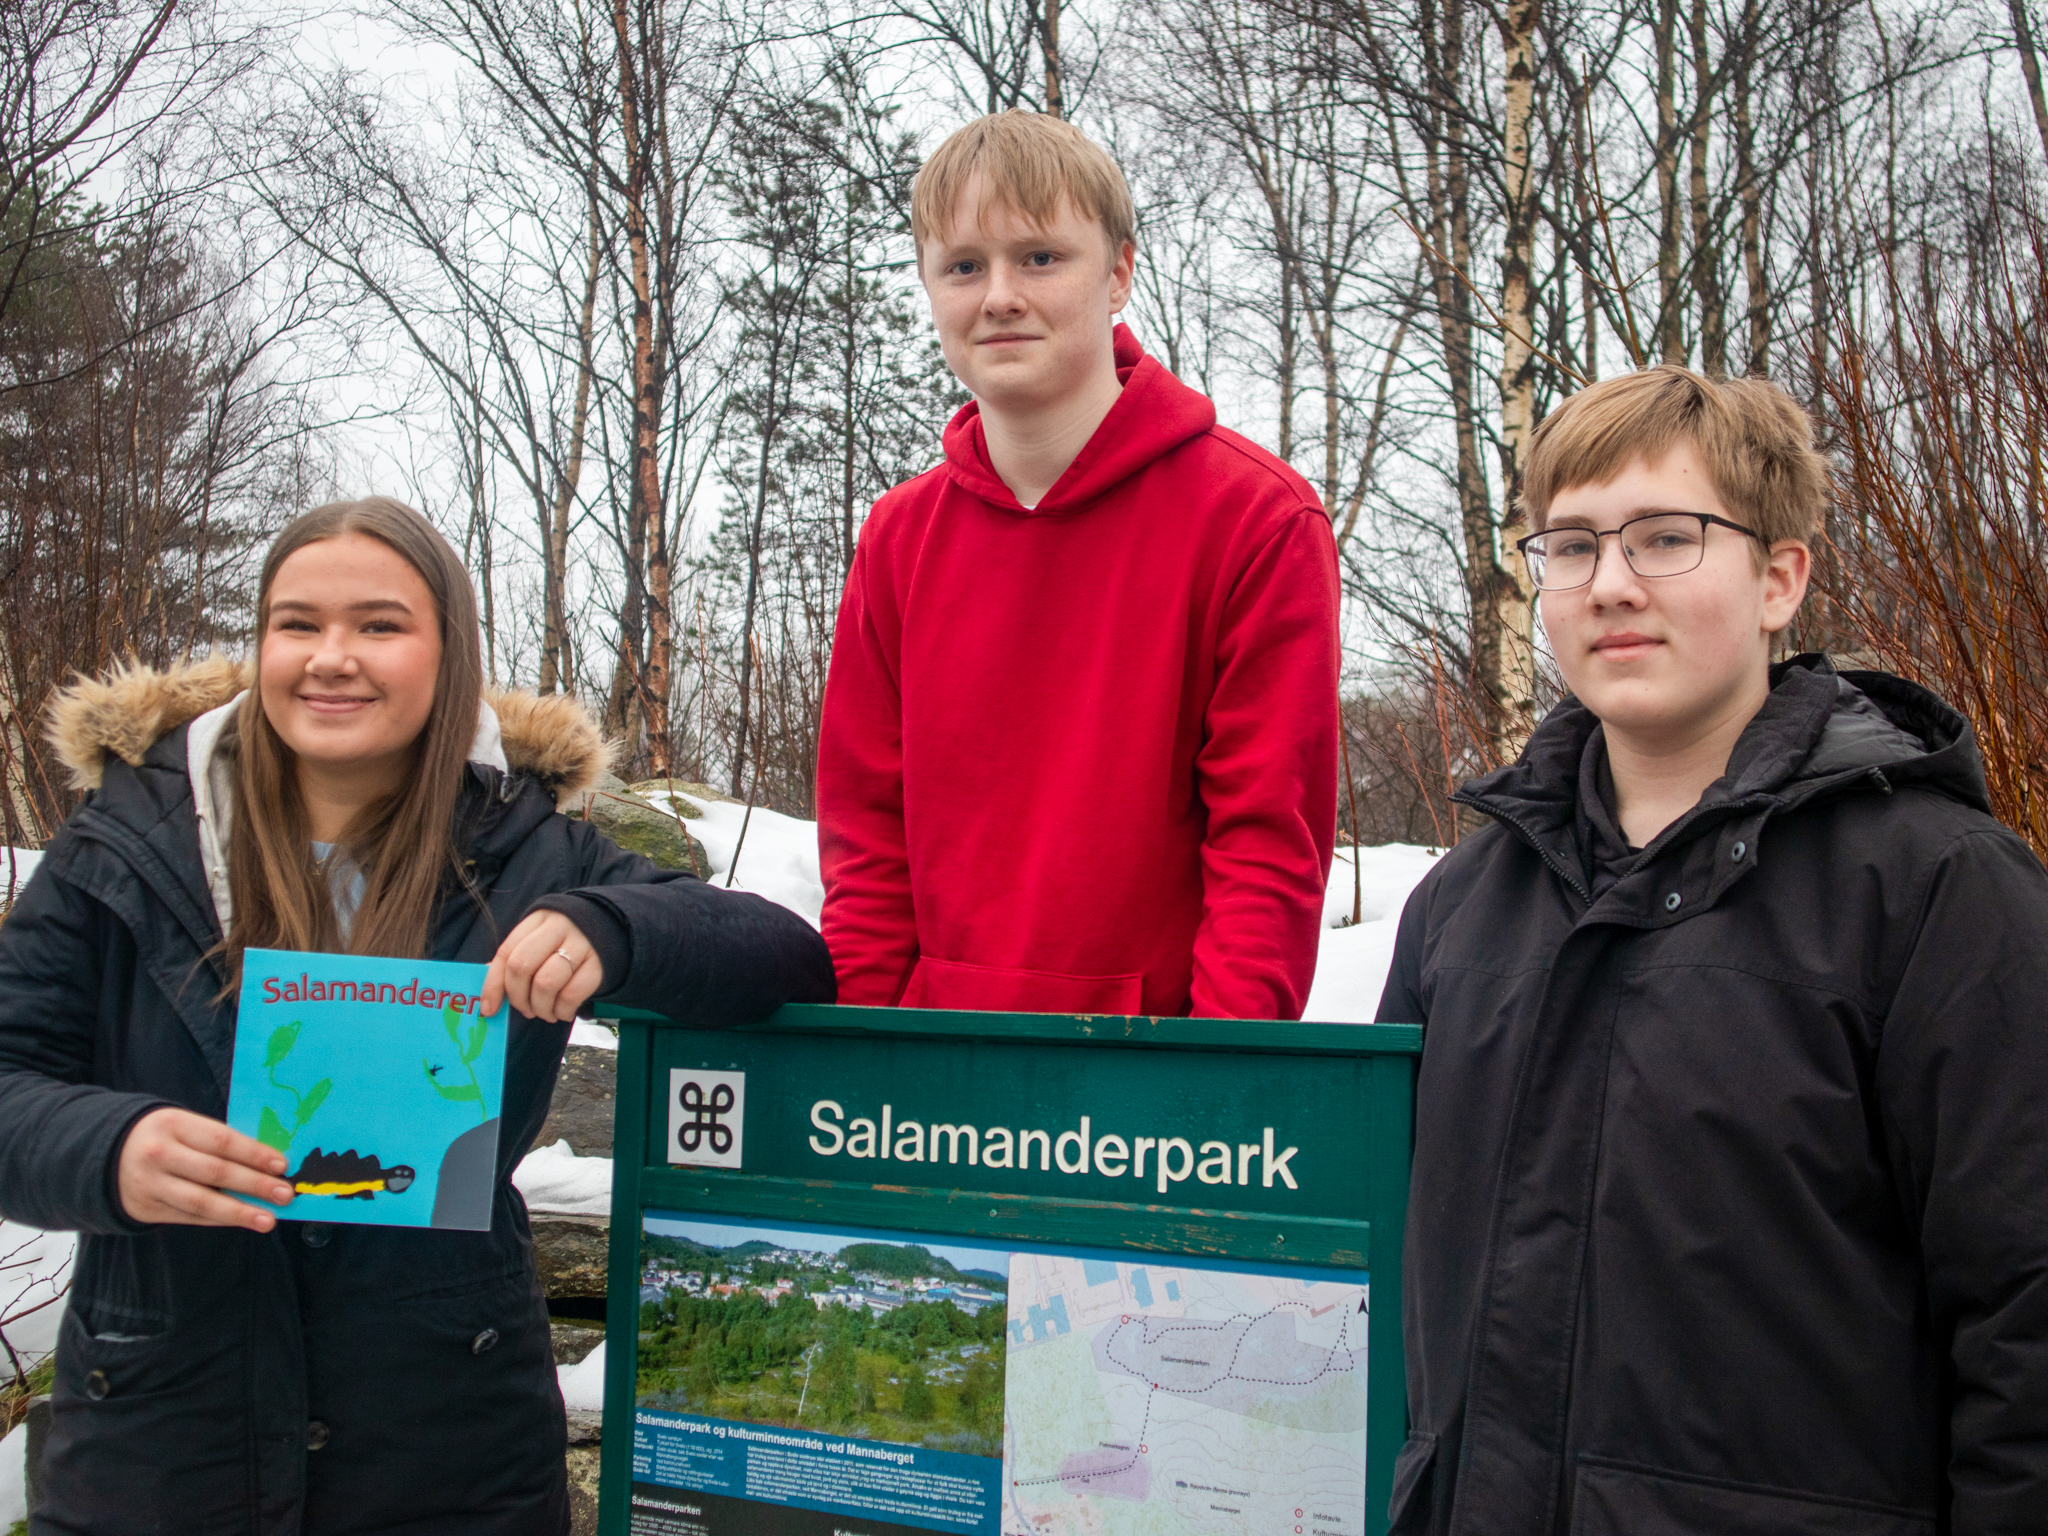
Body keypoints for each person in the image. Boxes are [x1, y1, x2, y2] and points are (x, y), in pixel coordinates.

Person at [0, 498, 835, 1534]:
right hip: (159, 1436)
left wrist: (609, 925)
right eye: (296, 624)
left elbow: (779, 953)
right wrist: (108, 1146)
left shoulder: (530, 845)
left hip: (450, 1446)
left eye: (379, 625)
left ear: (450, 654)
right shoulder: (126, 841)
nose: (330, 657)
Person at [1378, 366, 2048, 1534]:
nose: (1611, 584)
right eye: (1571, 546)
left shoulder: (1937, 893)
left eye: (1665, 538)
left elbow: (2025, 1316)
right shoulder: (1458, 910)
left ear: (1778, 577)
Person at [816, 111, 1340, 1020]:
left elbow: (1265, 850)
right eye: (964, 266)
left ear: (1118, 275)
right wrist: (864, 1074)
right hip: (930, 1099)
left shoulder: (1256, 519)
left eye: (1041, 258)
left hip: (1155, 1102)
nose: (1001, 296)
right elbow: (867, 847)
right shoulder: (898, 539)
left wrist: (1217, 1098)